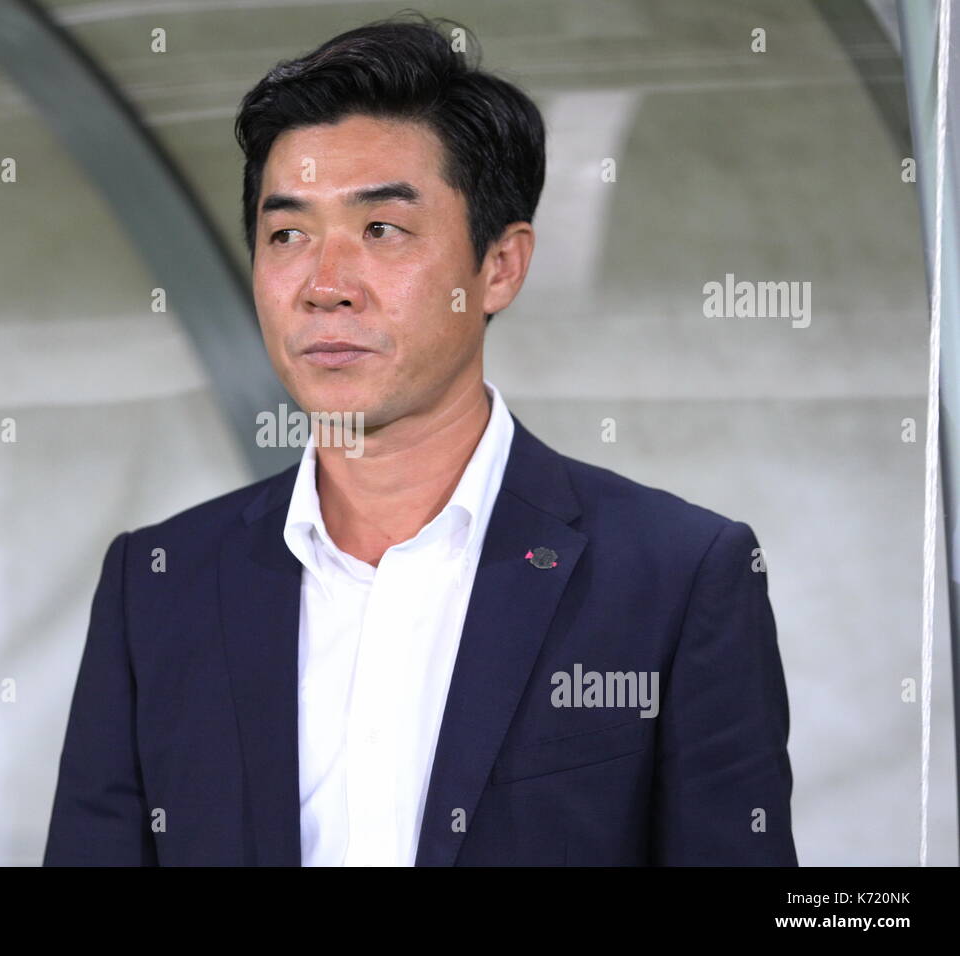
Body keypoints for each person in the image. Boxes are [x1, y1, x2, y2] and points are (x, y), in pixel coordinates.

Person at [43, 12, 797, 866]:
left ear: (500, 267)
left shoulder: (674, 577)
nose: (325, 286)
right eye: (287, 234)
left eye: (382, 230)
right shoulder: (157, 584)